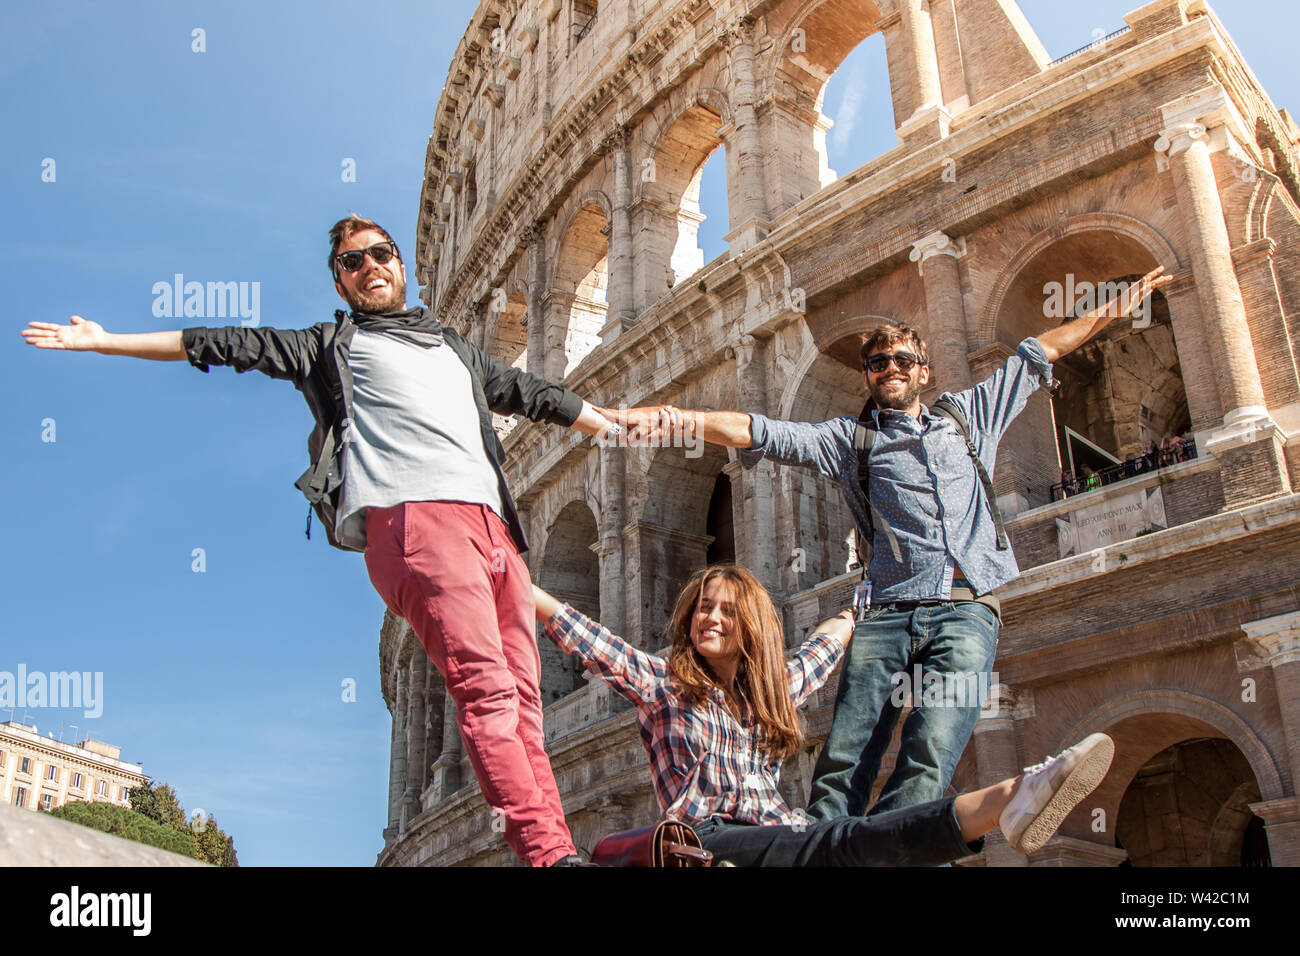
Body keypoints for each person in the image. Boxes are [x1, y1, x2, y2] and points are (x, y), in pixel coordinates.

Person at [21, 214, 630, 867]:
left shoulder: (452, 349)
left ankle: (559, 850)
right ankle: (547, 856)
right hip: (415, 524)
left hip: (494, 529)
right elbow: (225, 342)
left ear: (399, 264)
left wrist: (613, 420)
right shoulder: (329, 346)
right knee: (487, 690)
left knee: (524, 702)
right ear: (341, 284)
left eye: (379, 253)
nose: (368, 265)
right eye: (352, 262)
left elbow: (527, 391)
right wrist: (107, 340)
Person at [612, 266, 1169, 823]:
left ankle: (889, 855)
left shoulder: (969, 416)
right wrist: (670, 420)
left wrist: (1114, 308)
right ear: (867, 378)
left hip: (967, 608)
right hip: (885, 614)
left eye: (903, 360)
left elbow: (1038, 350)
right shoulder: (846, 441)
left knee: (934, 748)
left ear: (923, 371)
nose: (891, 370)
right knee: (845, 759)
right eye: (878, 363)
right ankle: (823, 855)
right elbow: (758, 431)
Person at [533, 564, 1115, 866]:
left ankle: (1009, 805)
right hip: (711, 839)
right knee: (846, 843)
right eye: (702, 607)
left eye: (726, 611)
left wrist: (860, 609)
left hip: (780, 835)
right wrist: (512, 581)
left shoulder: (770, 693)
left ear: (751, 626)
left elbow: (822, 649)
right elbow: (584, 636)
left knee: (855, 852)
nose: (708, 618)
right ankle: (1013, 797)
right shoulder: (662, 684)